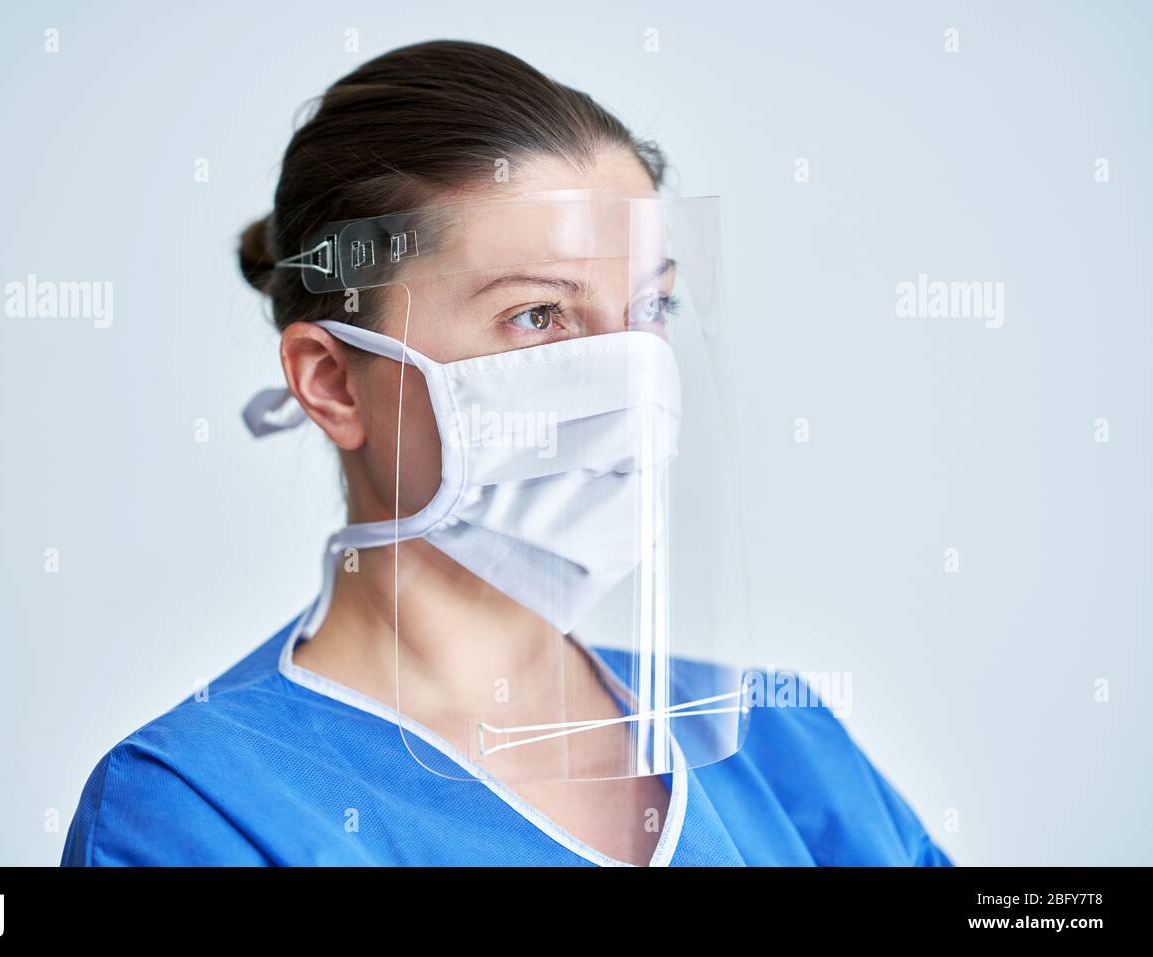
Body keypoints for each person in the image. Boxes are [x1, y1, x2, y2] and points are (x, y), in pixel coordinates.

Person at [62, 39, 953, 867]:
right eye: (539, 315)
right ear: (332, 381)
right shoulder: (205, 805)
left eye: (651, 309)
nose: (631, 374)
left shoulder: (779, 742)